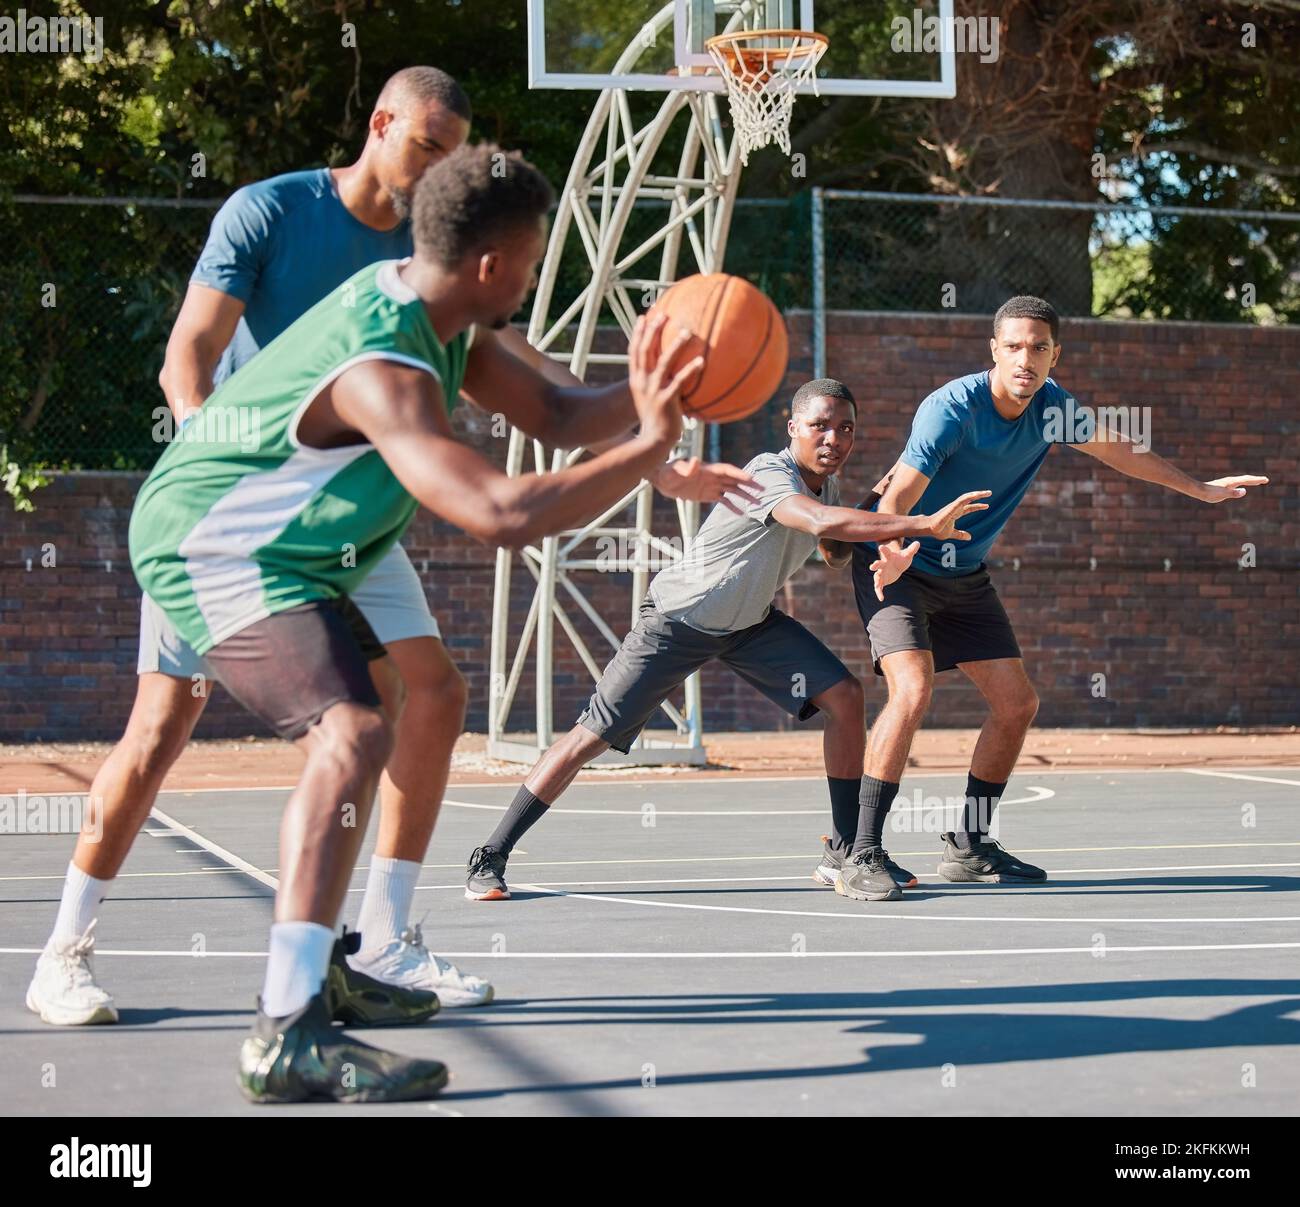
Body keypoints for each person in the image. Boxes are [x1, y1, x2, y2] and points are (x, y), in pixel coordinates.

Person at [27, 68, 754, 1028]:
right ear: (494, 266)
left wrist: (657, 389)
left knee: (417, 698)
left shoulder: (437, 308)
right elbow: (497, 512)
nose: (535, 280)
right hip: (223, 530)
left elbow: (555, 408)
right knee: (284, 729)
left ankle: (357, 951)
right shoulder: (377, 350)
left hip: (333, 524)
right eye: (534, 262)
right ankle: (229, 1004)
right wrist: (652, 445)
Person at [464, 378, 992, 905]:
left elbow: (831, 547)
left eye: (846, 429)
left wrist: (876, 514)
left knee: (845, 697)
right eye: (821, 426)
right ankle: (491, 854)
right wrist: (920, 522)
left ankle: (844, 849)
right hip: (677, 622)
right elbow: (816, 521)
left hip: (748, 627)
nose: (834, 438)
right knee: (591, 737)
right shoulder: (769, 472)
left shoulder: (825, 487)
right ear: (793, 429)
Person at [832, 294, 1268, 890]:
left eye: (1039, 348)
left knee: (1017, 704)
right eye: (1013, 346)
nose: (1025, 359)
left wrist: (1200, 489)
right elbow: (895, 499)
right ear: (994, 350)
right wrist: (893, 546)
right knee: (912, 691)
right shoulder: (952, 408)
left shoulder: (1054, 409)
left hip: (963, 574)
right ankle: (862, 853)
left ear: (1055, 354)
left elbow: (1121, 450)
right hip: (897, 563)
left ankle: (969, 844)